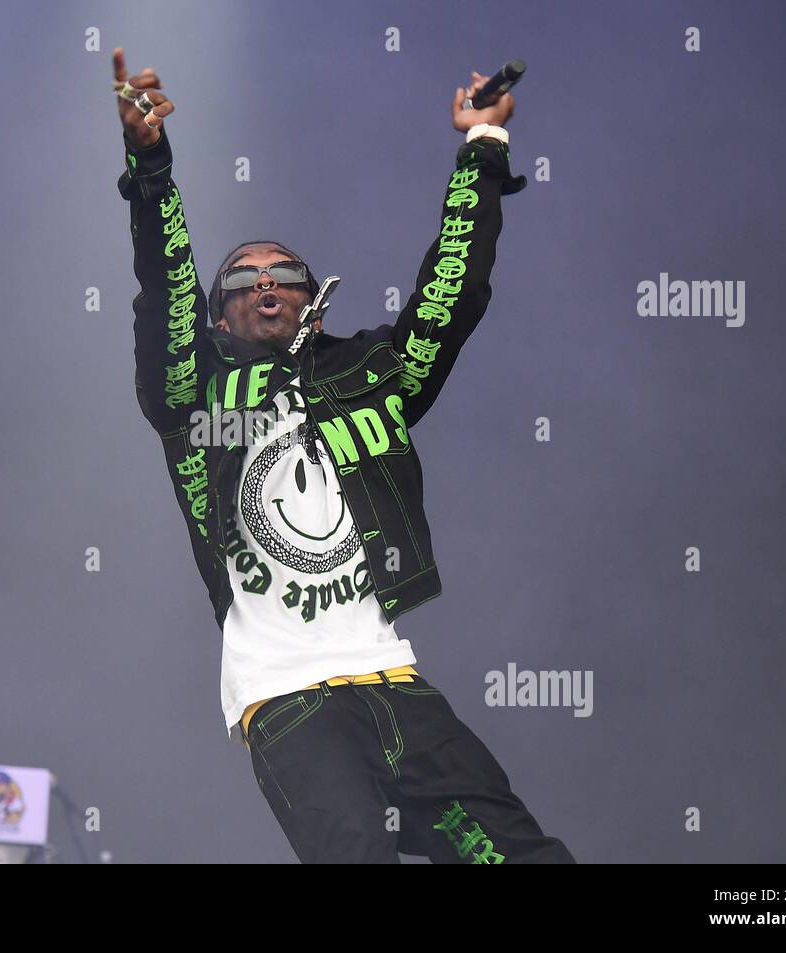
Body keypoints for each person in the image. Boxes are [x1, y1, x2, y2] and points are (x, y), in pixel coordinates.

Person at [113, 47, 574, 863]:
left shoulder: (371, 375)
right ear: (217, 320)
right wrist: (151, 168)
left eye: (284, 273)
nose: (264, 283)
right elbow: (163, 290)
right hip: (285, 699)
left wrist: (483, 150)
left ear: (312, 304)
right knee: (356, 851)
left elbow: (451, 293)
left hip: (392, 681)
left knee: (516, 851)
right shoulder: (192, 401)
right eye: (242, 278)